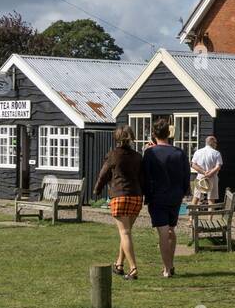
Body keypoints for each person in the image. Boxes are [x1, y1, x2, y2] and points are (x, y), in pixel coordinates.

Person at [94, 125, 146, 280]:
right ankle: (119, 265)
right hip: (136, 197)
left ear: (116, 138)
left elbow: (103, 174)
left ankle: (133, 269)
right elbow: (142, 178)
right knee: (126, 233)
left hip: (120, 196)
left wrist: (97, 190)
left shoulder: (113, 155)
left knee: (125, 233)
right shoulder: (138, 156)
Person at [142, 117, 189, 278]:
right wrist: (183, 192)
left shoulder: (150, 153)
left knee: (163, 232)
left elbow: (145, 176)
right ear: (169, 133)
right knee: (171, 230)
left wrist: (146, 195)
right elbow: (186, 176)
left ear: (153, 134)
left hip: (157, 197)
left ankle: (167, 268)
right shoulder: (180, 153)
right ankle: (171, 264)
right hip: (175, 197)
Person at [191, 135, 223, 206]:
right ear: (213, 143)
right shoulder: (216, 153)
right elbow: (218, 166)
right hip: (212, 177)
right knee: (211, 200)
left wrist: (203, 172)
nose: (216, 144)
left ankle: (191, 217)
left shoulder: (198, 152)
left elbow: (193, 165)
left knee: (196, 198)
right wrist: (210, 173)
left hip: (200, 177)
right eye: (216, 143)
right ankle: (209, 217)